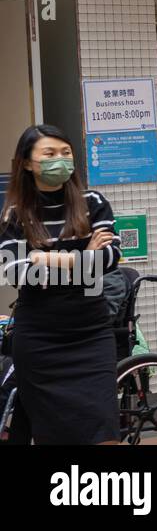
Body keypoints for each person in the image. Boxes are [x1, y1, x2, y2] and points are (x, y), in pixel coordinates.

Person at [0, 124, 121, 444]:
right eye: (49, 153)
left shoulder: (92, 201)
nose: (60, 160)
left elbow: (111, 258)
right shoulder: (15, 214)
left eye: (66, 153)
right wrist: (83, 259)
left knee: (104, 427)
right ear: (27, 163)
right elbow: (16, 273)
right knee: (53, 435)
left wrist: (48, 258)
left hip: (91, 334)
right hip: (40, 339)